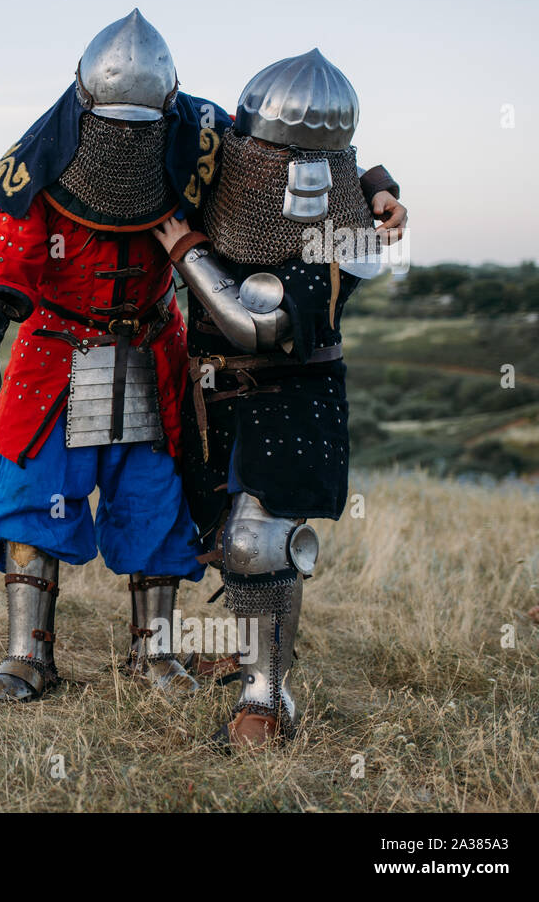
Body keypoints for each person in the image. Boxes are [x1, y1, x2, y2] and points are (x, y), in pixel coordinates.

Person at [0, 10, 407, 703]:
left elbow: (297, 158)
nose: (128, 146)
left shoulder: (201, 129)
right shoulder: (37, 160)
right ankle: (27, 656)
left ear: (167, 106)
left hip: (155, 352)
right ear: (87, 108)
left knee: (154, 507)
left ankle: (153, 657)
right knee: (34, 502)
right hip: (56, 355)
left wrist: (375, 186)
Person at [152, 48, 402, 747]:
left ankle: (268, 694)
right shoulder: (237, 169)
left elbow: (255, 323)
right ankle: (233, 648)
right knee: (211, 530)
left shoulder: (344, 235)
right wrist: (384, 179)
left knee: (259, 539)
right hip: (210, 389)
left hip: (290, 394)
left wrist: (186, 251)